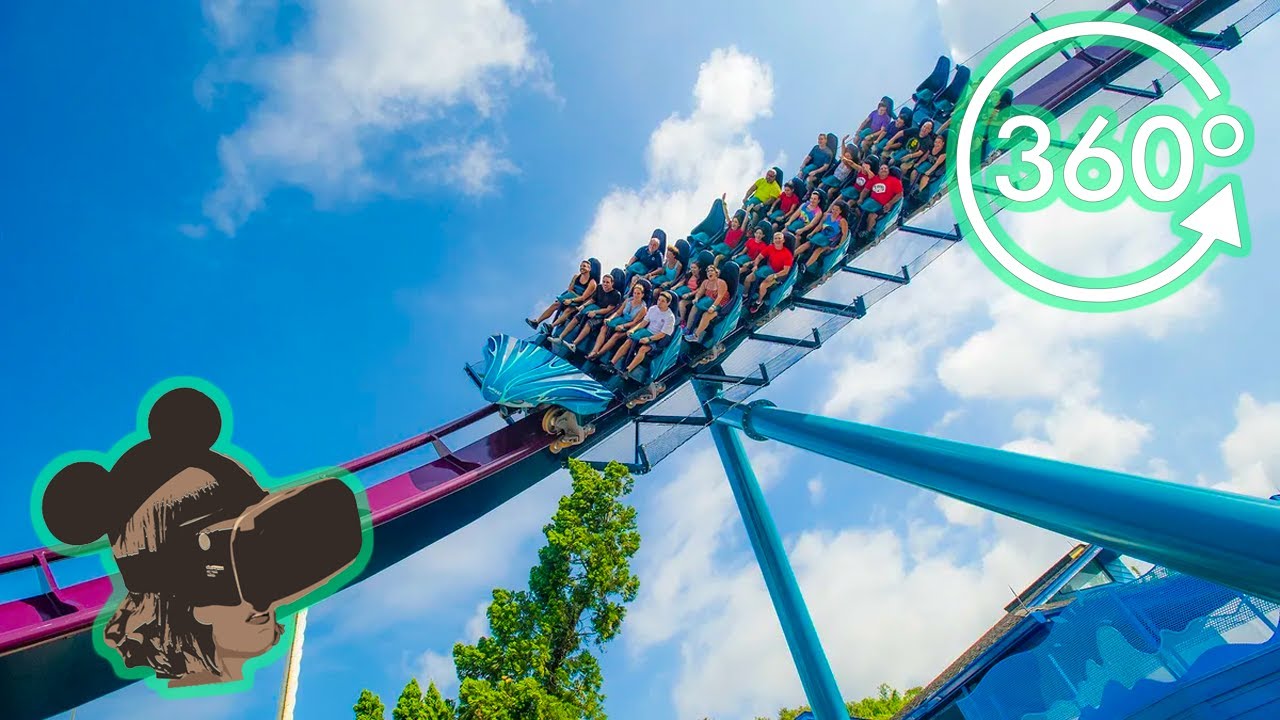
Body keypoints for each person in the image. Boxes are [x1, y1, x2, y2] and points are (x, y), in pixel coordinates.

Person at [613, 290, 678, 375]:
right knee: (628, 341)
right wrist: (633, 330)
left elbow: (662, 334)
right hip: (646, 332)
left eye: (663, 301)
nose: (659, 303)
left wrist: (648, 339)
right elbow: (644, 322)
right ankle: (612, 363)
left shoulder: (670, 317)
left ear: (668, 303)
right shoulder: (653, 308)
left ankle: (627, 370)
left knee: (643, 349)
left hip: (656, 338)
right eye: (659, 300)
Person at [556, 270, 623, 350]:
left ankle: (574, 344)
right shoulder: (599, 287)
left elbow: (608, 310)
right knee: (577, 317)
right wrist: (583, 306)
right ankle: (560, 337)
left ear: (612, 283)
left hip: (602, 315)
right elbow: (592, 300)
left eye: (607, 282)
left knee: (589, 324)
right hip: (593, 309)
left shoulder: (616, 295)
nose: (605, 284)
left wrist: (594, 312)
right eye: (604, 282)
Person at [585, 280, 649, 361]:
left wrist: (622, 326)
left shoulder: (643, 308)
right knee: (604, 327)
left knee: (616, 336)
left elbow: (634, 322)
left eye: (638, 293)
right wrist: (610, 318)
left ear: (642, 295)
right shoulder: (628, 300)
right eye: (635, 293)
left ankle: (599, 354)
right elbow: (618, 312)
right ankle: (594, 351)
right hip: (620, 320)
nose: (636, 295)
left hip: (629, 326)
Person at [527, 259, 598, 329]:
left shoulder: (592, 283)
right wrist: (569, 298)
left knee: (568, 310)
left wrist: (571, 300)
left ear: (589, 269)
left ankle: (551, 326)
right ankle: (536, 322)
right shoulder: (576, 277)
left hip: (580, 302)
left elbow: (583, 298)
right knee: (555, 305)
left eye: (584, 266)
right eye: (581, 266)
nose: (582, 268)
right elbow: (570, 289)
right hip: (571, 296)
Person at [744, 230, 794, 312]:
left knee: (763, 286)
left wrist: (774, 276)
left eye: (779, 238)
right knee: (747, 279)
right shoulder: (770, 247)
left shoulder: (787, 254)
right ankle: (745, 295)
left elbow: (785, 271)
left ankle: (759, 302)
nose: (777, 240)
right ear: (773, 240)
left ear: (783, 240)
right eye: (775, 238)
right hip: (768, 269)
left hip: (778, 274)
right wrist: (756, 265)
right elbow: (759, 257)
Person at [683, 263, 731, 343]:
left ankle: (696, 335)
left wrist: (713, 307)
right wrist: (696, 298)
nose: (709, 272)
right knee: (695, 306)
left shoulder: (721, 282)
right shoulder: (705, 282)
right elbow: (700, 292)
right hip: (708, 302)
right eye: (708, 271)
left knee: (706, 315)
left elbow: (720, 296)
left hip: (720, 305)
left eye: (711, 271)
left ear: (716, 273)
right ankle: (688, 328)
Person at [795, 200, 848, 273]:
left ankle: (805, 266)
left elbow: (844, 234)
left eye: (837, 210)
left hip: (830, 242)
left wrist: (840, 244)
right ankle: (792, 256)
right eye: (833, 209)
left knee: (818, 250)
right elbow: (820, 226)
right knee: (807, 244)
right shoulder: (826, 216)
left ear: (840, 211)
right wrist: (812, 233)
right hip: (820, 237)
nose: (834, 211)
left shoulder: (842, 221)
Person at [857, 163, 904, 240]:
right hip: (871, 202)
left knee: (871, 216)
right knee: (859, 210)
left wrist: (890, 203)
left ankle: (867, 231)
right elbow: (865, 190)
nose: (883, 170)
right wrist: (861, 198)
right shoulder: (874, 179)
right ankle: (858, 227)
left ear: (888, 171)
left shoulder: (894, 181)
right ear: (878, 171)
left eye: (885, 168)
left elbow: (900, 194)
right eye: (881, 169)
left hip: (883, 205)